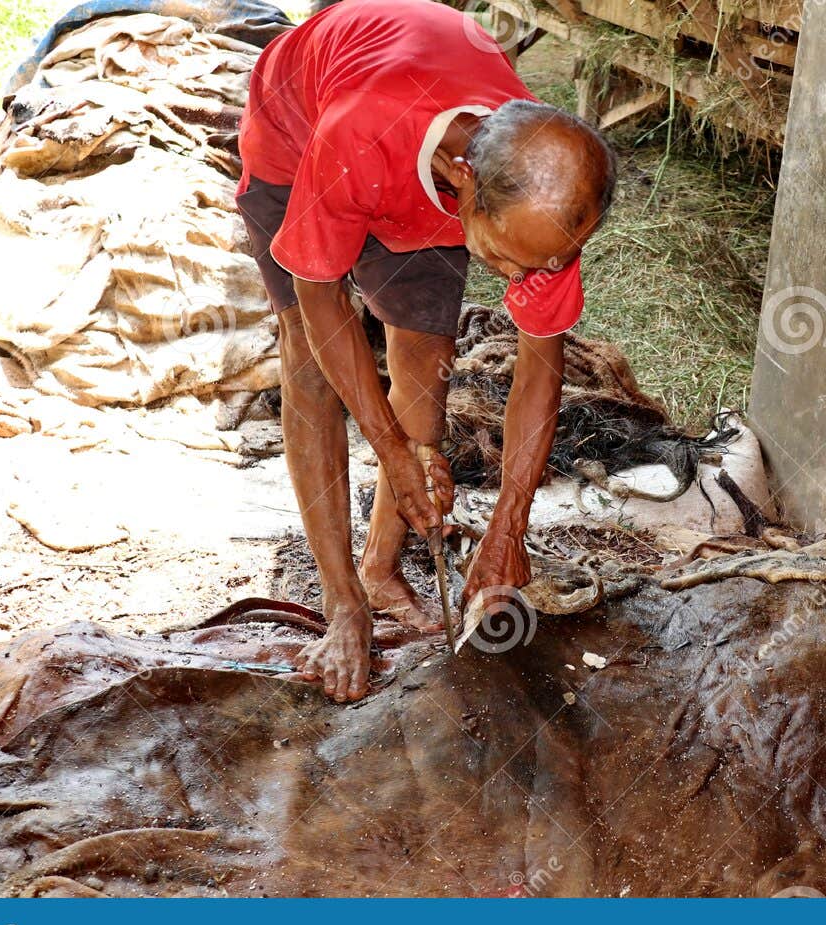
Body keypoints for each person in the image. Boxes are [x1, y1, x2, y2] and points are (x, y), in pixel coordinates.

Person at [236, 0, 616, 701]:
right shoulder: (361, 130)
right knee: (311, 366)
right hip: (299, 135)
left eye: (542, 265)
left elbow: (541, 365)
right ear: (463, 180)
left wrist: (509, 526)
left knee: (425, 358)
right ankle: (343, 601)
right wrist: (387, 448)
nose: (520, 281)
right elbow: (322, 305)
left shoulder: (542, 178)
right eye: (505, 259)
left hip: (412, 163)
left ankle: (381, 569)